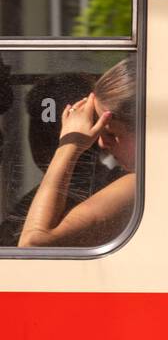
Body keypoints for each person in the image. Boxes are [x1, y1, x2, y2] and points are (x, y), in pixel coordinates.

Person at [19, 58, 136, 248]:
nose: (102, 143)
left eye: (111, 133)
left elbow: (33, 244)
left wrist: (69, 145)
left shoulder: (137, 185)